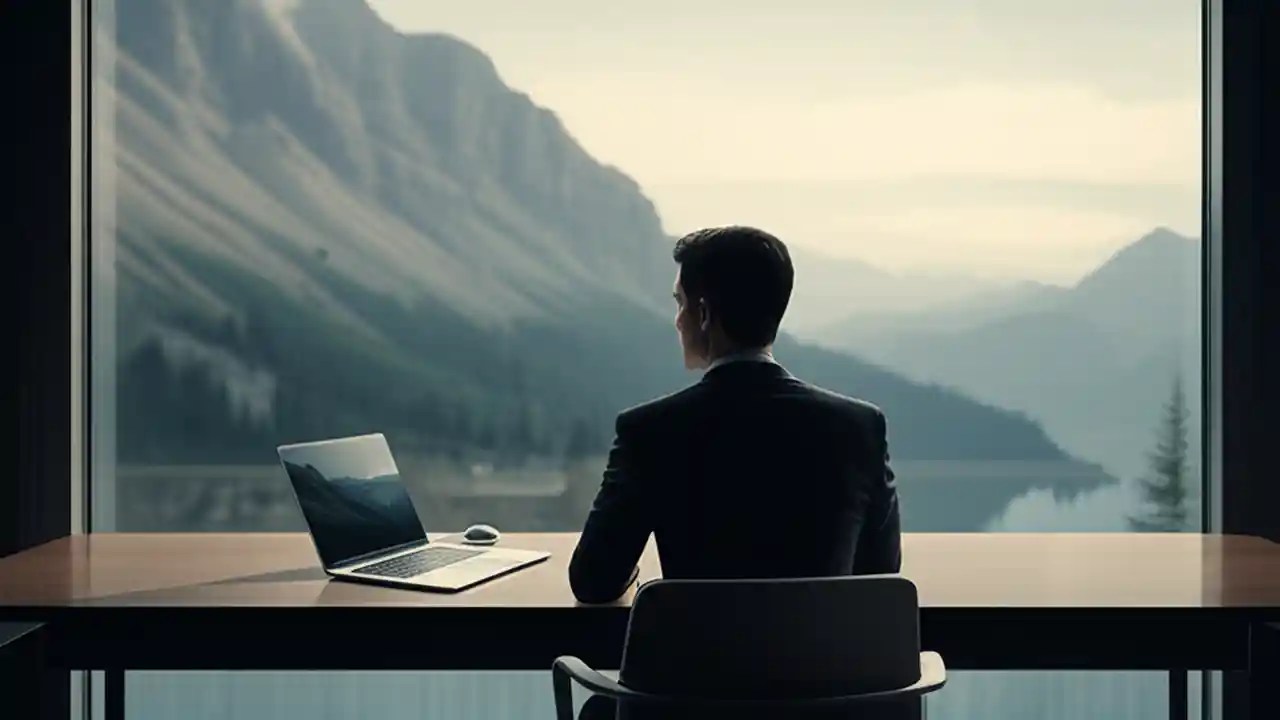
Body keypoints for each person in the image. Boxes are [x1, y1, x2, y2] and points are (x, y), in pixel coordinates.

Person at [569, 225, 901, 604]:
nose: (678, 320)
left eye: (680, 303)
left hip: (696, 664)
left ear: (705, 314)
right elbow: (881, 577)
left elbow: (594, 580)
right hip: (822, 663)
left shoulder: (649, 432)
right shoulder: (860, 428)